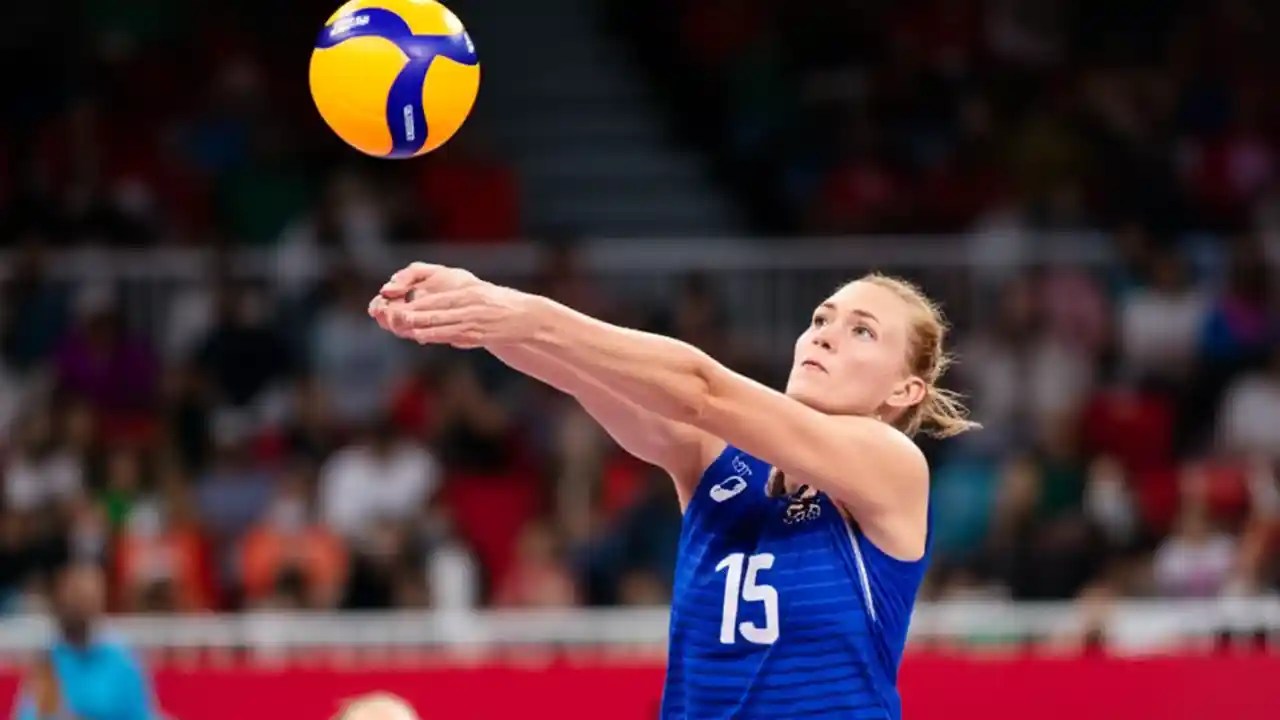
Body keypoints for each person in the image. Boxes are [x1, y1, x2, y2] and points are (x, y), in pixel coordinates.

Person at [369, 263, 977, 719]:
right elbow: (590, 376)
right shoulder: (719, 465)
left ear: (904, 393)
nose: (824, 335)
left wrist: (529, 312)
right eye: (821, 318)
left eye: (862, 332)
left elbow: (701, 389)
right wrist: (474, 314)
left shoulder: (892, 465)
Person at [14, 563, 158, 720]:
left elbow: (141, 715)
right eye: (73, 596)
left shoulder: (122, 661)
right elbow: (28, 715)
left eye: (85, 598)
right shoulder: (47, 661)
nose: (77, 606)